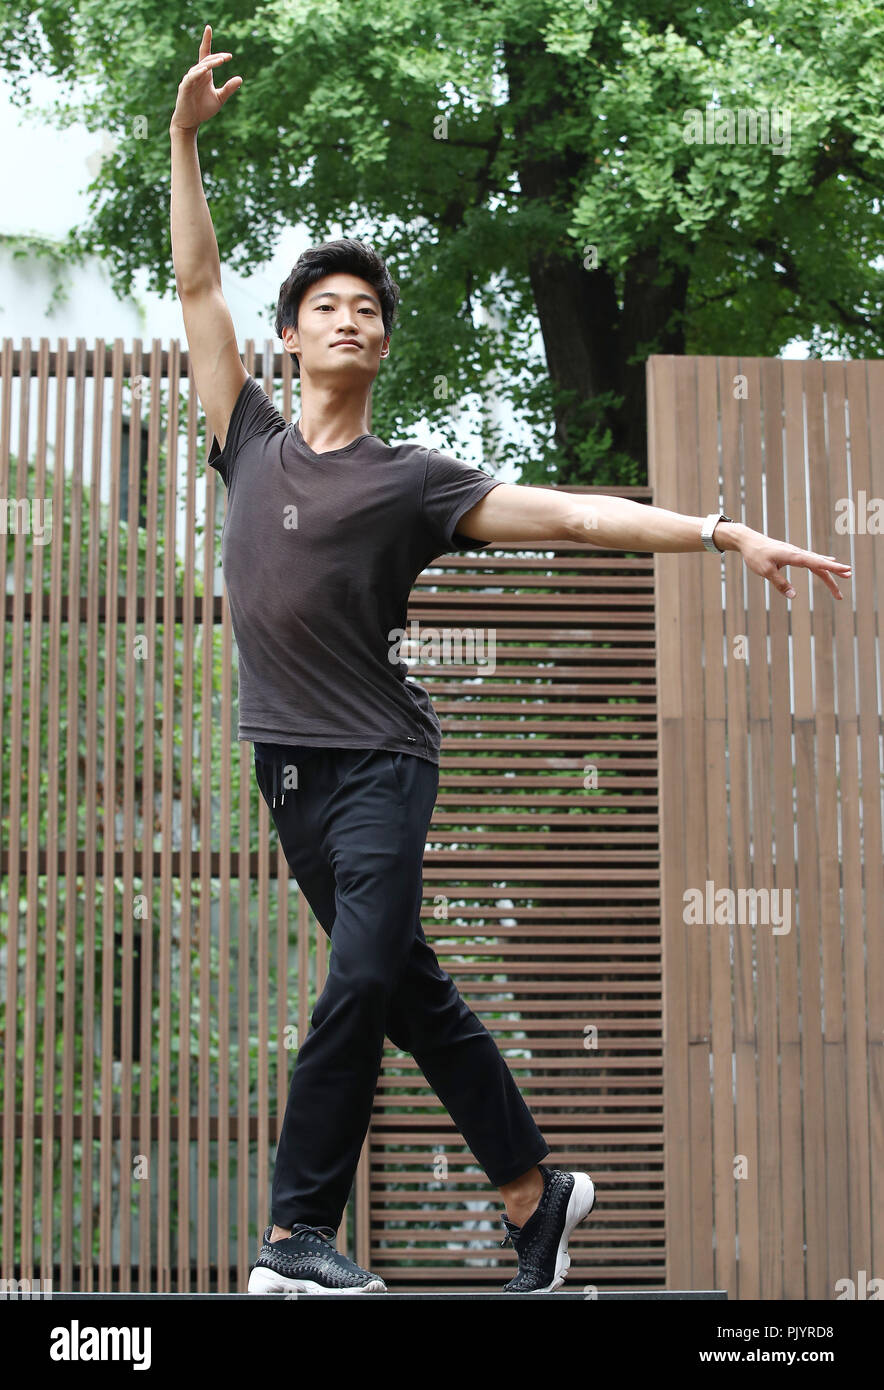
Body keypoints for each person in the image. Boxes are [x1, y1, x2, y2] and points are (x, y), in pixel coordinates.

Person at [169, 26, 851, 1296]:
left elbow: (578, 515)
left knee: (361, 977)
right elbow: (197, 281)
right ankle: (538, 1197)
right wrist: (185, 139)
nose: (354, 320)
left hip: (379, 761)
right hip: (288, 778)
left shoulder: (413, 478)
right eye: (330, 307)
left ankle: (293, 1237)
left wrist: (719, 529)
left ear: (382, 345)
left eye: (371, 311)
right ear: (292, 336)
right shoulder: (248, 439)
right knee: (409, 990)